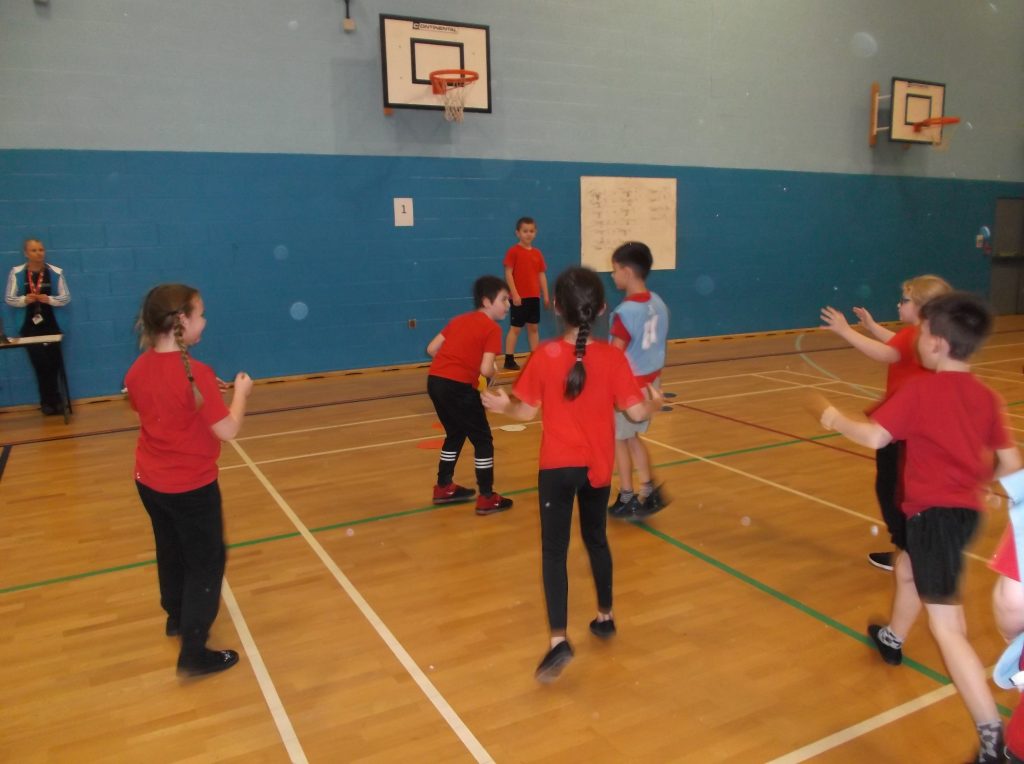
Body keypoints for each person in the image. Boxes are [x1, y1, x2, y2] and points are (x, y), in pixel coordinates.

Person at [809, 292, 1020, 764]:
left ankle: (992, 741)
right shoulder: (986, 396)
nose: (917, 339)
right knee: (908, 569)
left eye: (923, 332)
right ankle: (893, 640)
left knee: (949, 629)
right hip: (965, 517)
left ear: (939, 343)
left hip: (934, 518)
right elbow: (1011, 463)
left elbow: (873, 436)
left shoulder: (921, 391)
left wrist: (827, 415)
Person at [483, 266, 663, 683]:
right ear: (601, 309)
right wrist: (655, 404)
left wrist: (501, 406)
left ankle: (558, 641)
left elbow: (525, 411)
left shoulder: (544, 355)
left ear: (556, 307)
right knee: (596, 538)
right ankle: (605, 615)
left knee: (554, 552)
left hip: (557, 470)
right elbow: (636, 412)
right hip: (597, 469)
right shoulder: (614, 357)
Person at [126, 284, 253, 677]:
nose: (205, 321)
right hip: (190, 487)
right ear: (181, 322)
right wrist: (241, 393)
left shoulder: (137, 369)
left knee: (170, 548)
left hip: (149, 481)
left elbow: (161, 407)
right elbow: (227, 430)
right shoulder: (196, 372)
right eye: (200, 314)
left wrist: (201, 396)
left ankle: (177, 618)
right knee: (205, 561)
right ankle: (194, 650)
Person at [820, 274, 951, 571]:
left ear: (922, 307)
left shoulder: (915, 335)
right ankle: (908, 547)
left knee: (892, 489)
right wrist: (871, 326)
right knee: (899, 488)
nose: (899, 304)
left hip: (903, 427)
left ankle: (906, 551)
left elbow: (886, 353)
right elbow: (898, 344)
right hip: (919, 427)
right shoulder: (930, 336)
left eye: (905, 300)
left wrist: (845, 331)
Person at [426, 275, 514, 515]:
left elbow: (432, 349)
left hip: (435, 381)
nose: (508, 304)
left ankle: (444, 486)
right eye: (504, 299)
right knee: (483, 440)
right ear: (487, 301)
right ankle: (487, 496)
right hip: (458, 387)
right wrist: (492, 374)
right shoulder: (492, 329)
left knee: (455, 433)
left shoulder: (458, 320)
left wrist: (454, 365)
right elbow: (486, 369)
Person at [606, 241, 671, 520]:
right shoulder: (658, 303)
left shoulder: (625, 313)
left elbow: (614, 355)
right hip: (650, 383)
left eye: (615, 270)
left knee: (619, 440)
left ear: (628, 272)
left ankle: (628, 496)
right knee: (631, 438)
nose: (612, 275)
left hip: (628, 387)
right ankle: (648, 489)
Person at [5, 238, 71, 414]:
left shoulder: (55, 272)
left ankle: (57, 401)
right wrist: (24, 300)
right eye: (34, 250)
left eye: (41, 249)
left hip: (51, 324)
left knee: (54, 364)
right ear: (26, 253)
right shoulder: (17, 273)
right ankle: (46, 402)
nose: (38, 253)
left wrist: (49, 299)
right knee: (40, 364)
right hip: (29, 326)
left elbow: (65, 297)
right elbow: (9, 299)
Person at [502, 217, 549, 370]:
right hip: (519, 298)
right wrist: (514, 294)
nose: (528, 234)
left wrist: (546, 295)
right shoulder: (513, 251)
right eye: (525, 231)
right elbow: (508, 274)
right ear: (518, 233)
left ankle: (534, 357)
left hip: (534, 297)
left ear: (535, 233)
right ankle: (509, 359)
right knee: (515, 328)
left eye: (531, 231)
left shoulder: (537, 253)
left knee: (533, 328)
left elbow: (541, 274)